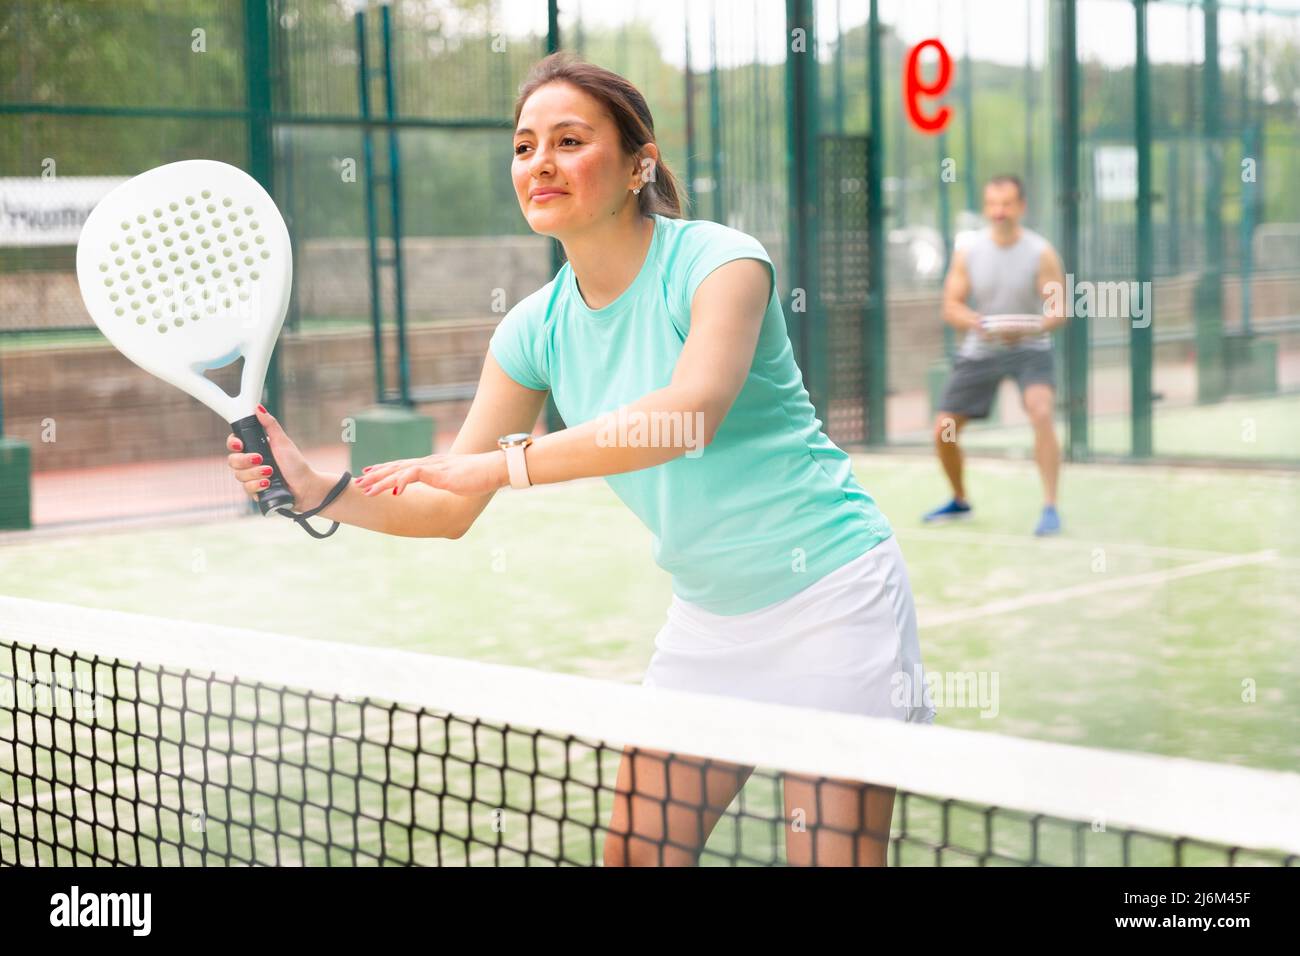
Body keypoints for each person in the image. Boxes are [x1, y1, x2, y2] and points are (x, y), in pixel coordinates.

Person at [225, 53, 935, 867]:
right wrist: (321, 490)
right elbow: (448, 508)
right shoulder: (531, 330)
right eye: (525, 147)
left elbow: (686, 417)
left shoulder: (720, 262)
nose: (541, 164)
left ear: (641, 163)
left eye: (569, 140)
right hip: (709, 623)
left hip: (833, 600)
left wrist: (502, 465)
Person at [924, 174, 1068, 536]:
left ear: (1021, 207)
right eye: (992, 204)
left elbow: (1058, 310)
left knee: (1041, 411)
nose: (999, 212)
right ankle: (959, 500)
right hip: (981, 349)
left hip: (1030, 349)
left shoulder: (1041, 252)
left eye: (1006, 204)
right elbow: (951, 307)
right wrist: (979, 323)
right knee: (944, 430)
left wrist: (1030, 327)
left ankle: (1050, 506)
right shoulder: (969, 252)